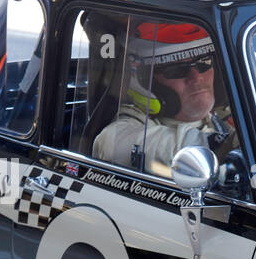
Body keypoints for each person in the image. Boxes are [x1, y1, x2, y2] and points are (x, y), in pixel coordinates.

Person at [93, 21, 236, 178]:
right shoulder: (119, 134)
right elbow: (114, 145)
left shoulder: (226, 118)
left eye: (204, 62)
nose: (197, 78)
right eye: (176, 70)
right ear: (144, 81)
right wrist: (228, 145)